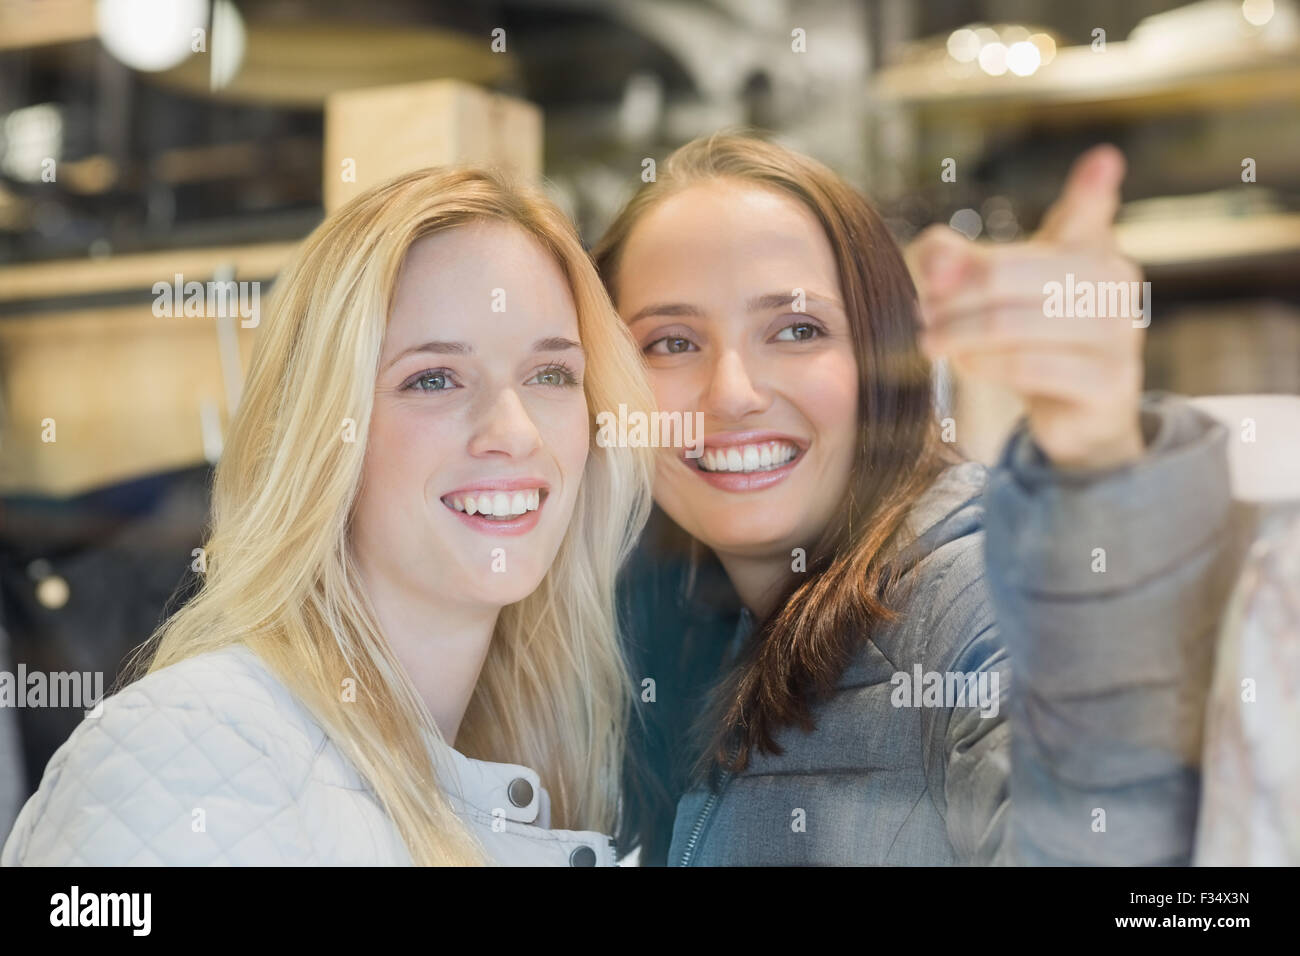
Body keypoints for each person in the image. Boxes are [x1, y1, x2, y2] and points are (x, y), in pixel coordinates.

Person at [598, 133, 1234, 865]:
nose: (733, 393)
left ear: (885, 363)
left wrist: (1101, 469)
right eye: (671, 343)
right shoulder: (656, 622)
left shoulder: (971, 596)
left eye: (798, 329)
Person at [2, 166, 654, 866]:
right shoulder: (195, 751)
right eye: (432, 378)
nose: (516, 431)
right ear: (322, 430)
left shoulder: (528, 751)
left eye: (550, 374)